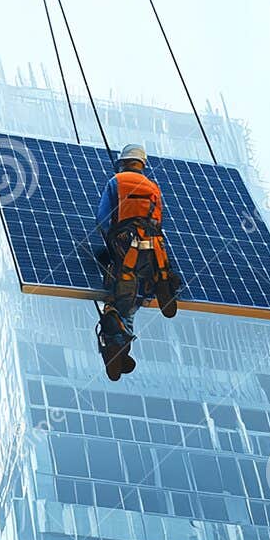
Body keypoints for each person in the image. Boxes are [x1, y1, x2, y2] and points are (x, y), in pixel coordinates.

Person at [92, 143, 182, 381]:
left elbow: (102, 218)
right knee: (143, 288)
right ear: (142, 164)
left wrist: (111, 246)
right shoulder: (154, 187)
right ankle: (164, 282)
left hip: (125, 244)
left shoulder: (116, 182)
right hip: (153, 246)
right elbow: (158, 219)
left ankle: (117, 333)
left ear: (123, 162)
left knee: (123, 296)